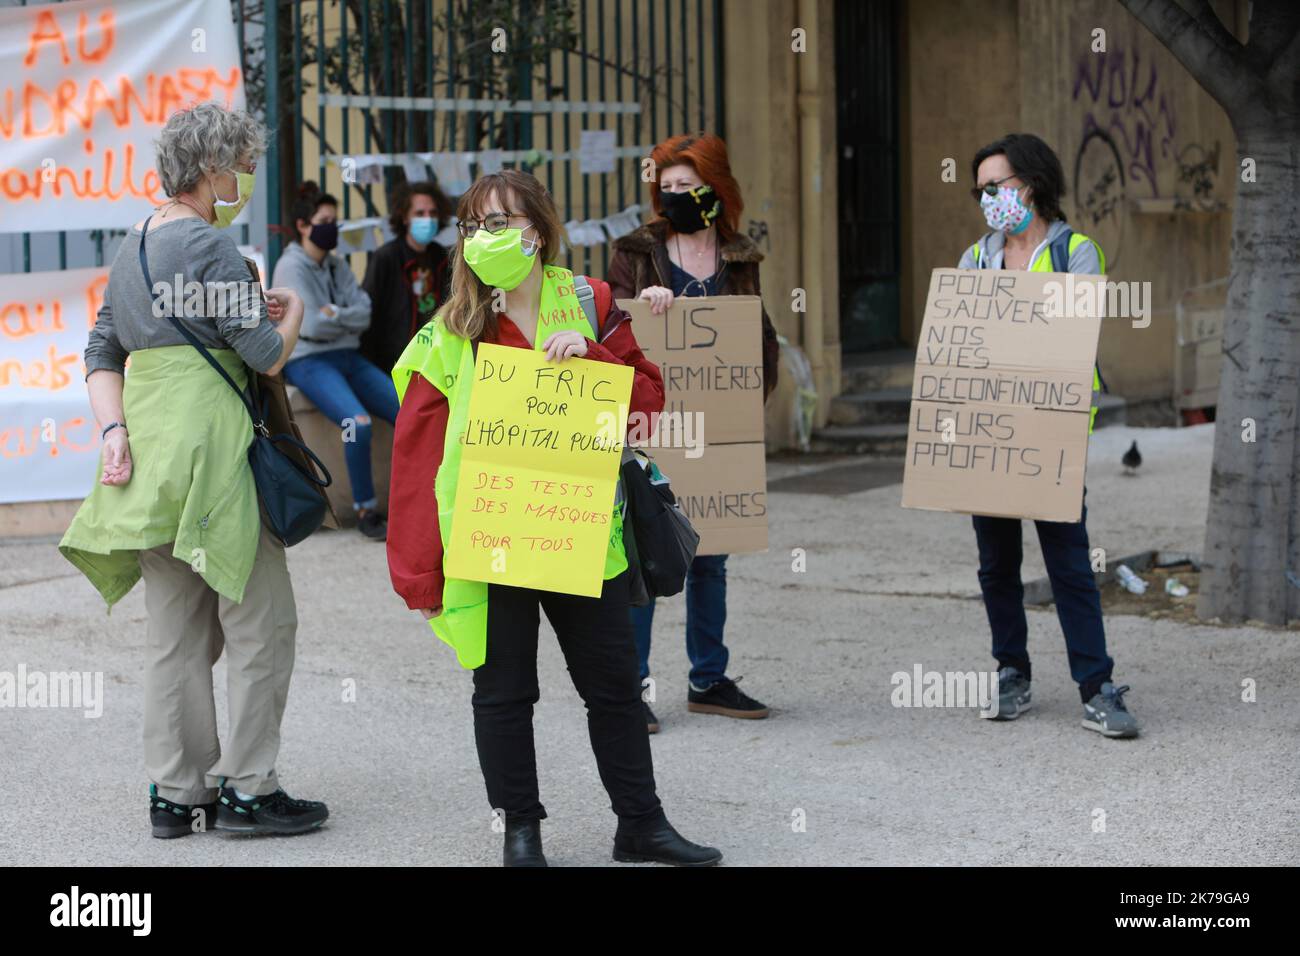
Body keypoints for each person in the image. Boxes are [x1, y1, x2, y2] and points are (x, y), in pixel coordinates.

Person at [386, 169, 721, 866]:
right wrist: (421, 568)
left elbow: (649, 405)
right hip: (490, 543)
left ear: (536, 230)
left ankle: (641, 826)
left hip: (582, 535)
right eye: (472, 226)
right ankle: (521, 835)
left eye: (498, 222)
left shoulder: (590, 300)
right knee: (504, 694)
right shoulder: (449, 332)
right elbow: (415, 460)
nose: (483, 238)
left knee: (615, 688)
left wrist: (595, 358)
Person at [58, 102, 329, 838]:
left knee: (174, 634)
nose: (244, 176)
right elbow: (267, 354)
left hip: (150, 458)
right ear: (211, 172)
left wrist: (113, 433)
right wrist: (293, 309)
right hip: (218, 458)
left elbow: (101, 351)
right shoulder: (213, 247)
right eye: (240, 164)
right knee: (260, 622)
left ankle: (176, 795)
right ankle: (249, 788)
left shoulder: (132, 244)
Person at [958, 132, 1139, 738]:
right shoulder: (975, 259)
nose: (987, 198)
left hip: (1052, 436)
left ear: (1029, 185)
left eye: (996, 186)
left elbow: (1073, 334)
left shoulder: (1075, 252)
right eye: (980, 189)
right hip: (990, 435)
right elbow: (963, 344)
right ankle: (1012, 671)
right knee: (996, 563)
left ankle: (1097, 687)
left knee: (1068, 562)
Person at [607, 133, 781, 734]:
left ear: (717, 189)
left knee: (712, 559)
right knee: (647, 554)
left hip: (716, 434)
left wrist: (744, 406)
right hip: (653, 429)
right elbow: (609, 331)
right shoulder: (635, 252)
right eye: (668, 188)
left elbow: (758, 340)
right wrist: (638, 302)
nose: (676, 197)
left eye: (689, 187)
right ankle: (632, 688)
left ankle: (709, 678)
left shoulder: (741, 258)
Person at [272, 182, 397, 541]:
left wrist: (334, 314)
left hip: (346, 355)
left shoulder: (337, 264)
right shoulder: (290, 267)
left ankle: (414, 502)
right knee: (356, 423)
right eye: (324, 220)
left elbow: (365, 313)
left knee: (407, 412)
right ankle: (366, 510)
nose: (332, 227)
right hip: (308, 359)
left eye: (334, 220)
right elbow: (309, 324)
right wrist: (341, 316)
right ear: (303, 225)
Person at [360, 179, 453, 373]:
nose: (427, 219)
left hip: (435, 360)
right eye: (420, 213)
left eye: (433, 213)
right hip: (393, 363)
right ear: (405, 218)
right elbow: (369, 315)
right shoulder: (385, 258)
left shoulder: (444, 258)